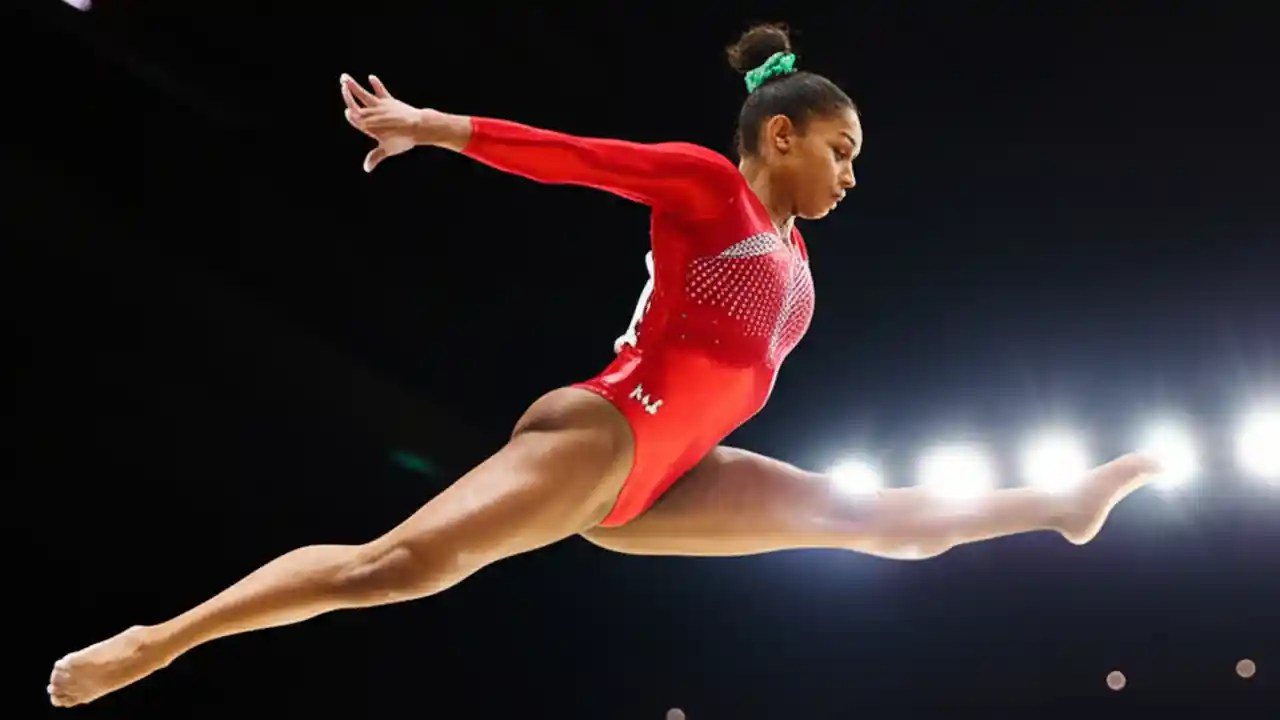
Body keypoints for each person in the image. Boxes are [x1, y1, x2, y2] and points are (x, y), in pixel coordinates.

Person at [47, 23, 1160, 708]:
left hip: (670, 475)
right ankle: (159, 641)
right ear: (780, 136)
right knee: (398, 567)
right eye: (841, 149)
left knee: (873, 521)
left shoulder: (795, 252)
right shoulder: (709, 189)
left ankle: (1062, 506)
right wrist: (431, 125)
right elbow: (578, 161)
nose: (850, 175)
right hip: (609, 429)